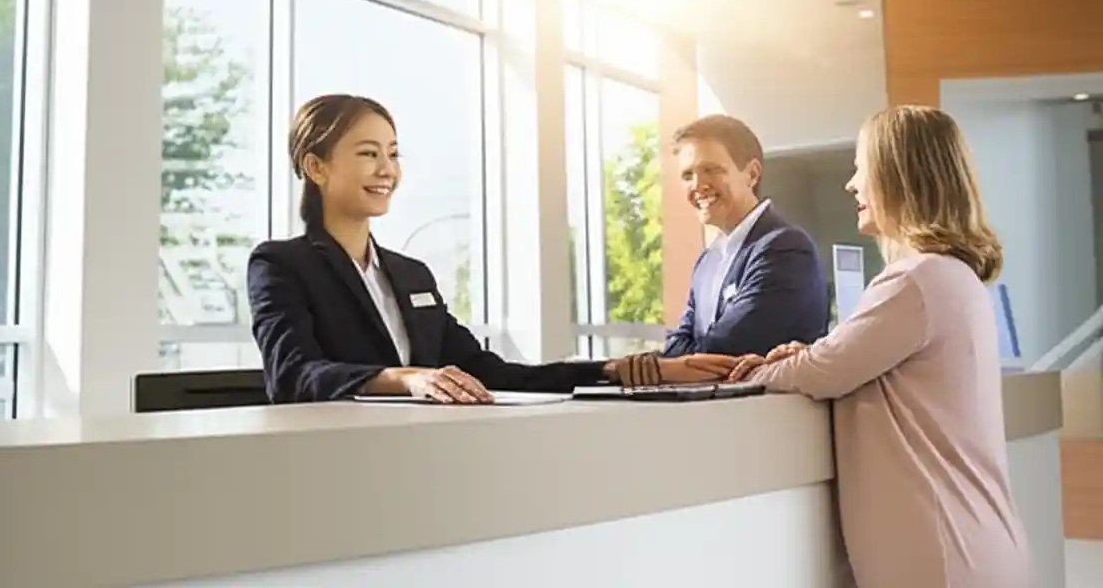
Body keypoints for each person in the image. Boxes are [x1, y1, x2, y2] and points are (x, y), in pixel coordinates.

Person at [247, 94, 738, 403]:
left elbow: (489, 372)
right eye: (368, 154)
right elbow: (293, 375)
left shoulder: (410, 274)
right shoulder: (280, 264)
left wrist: (627, 369)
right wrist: (406, 379)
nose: (387, 170)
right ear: (316, 167)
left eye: (393, 154)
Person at [728, 105, 1031, 588]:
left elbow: (823, 370)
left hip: (944, 558)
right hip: (973, 547)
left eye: (861, 167)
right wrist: (805, 358)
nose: (852, 185)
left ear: (900, 176)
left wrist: (755, 371)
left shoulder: (917, 278)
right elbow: (842, 358)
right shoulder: (950, 277)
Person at [662, 115, 827, 358]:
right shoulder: (707, 262)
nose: (698, 184)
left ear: (752, 174)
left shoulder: (784, 249)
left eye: (711, 170)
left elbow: (724, 352)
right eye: (688, 175)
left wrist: (677, 363)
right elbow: (676, 346)